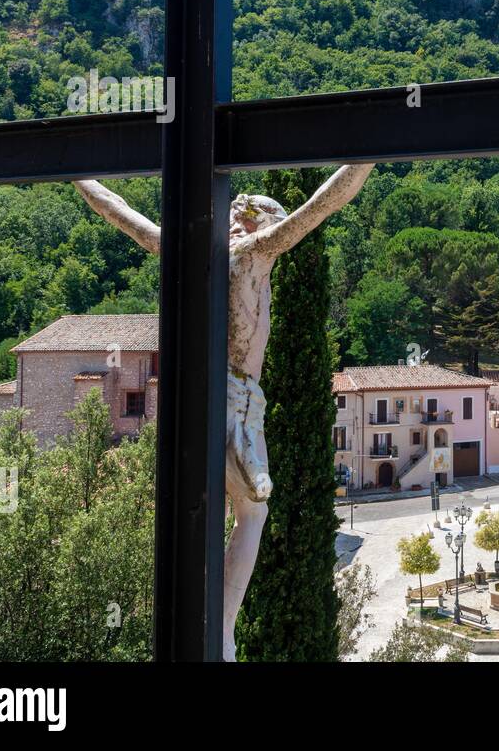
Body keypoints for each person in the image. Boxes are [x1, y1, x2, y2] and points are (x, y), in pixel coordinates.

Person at [73, 163, 374, 660]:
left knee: (204, 509)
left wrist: (76, 173)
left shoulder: (185, 249)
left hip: (192, 395)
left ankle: (198, 627)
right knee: (252, 512)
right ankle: (223, 631)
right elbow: (324, 204)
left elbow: (117, 210)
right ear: (261, 227)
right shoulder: (253, 254)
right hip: (236, 399)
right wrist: (365, 157)